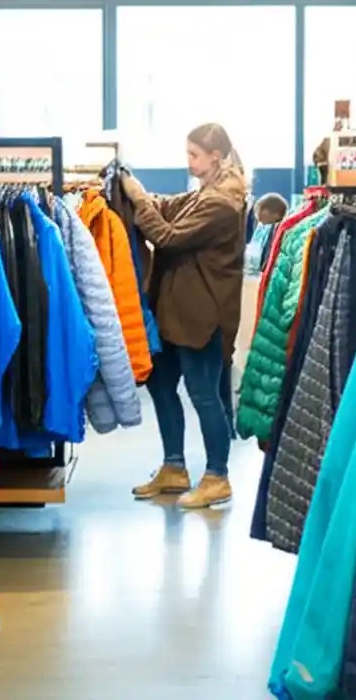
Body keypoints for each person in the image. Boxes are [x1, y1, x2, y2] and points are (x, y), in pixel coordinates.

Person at [122, 123, 249, 509]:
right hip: (177, 312)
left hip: (202, 317)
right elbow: (169, 207)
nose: (189, 161)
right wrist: (141, 195)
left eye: (195, 155)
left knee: (204, 395)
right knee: (161, 386)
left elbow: (168, 237)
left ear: (216, 156)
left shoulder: (223, 204)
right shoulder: (204, 194)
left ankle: (217, 477)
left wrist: (139, 200)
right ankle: (174, 467)